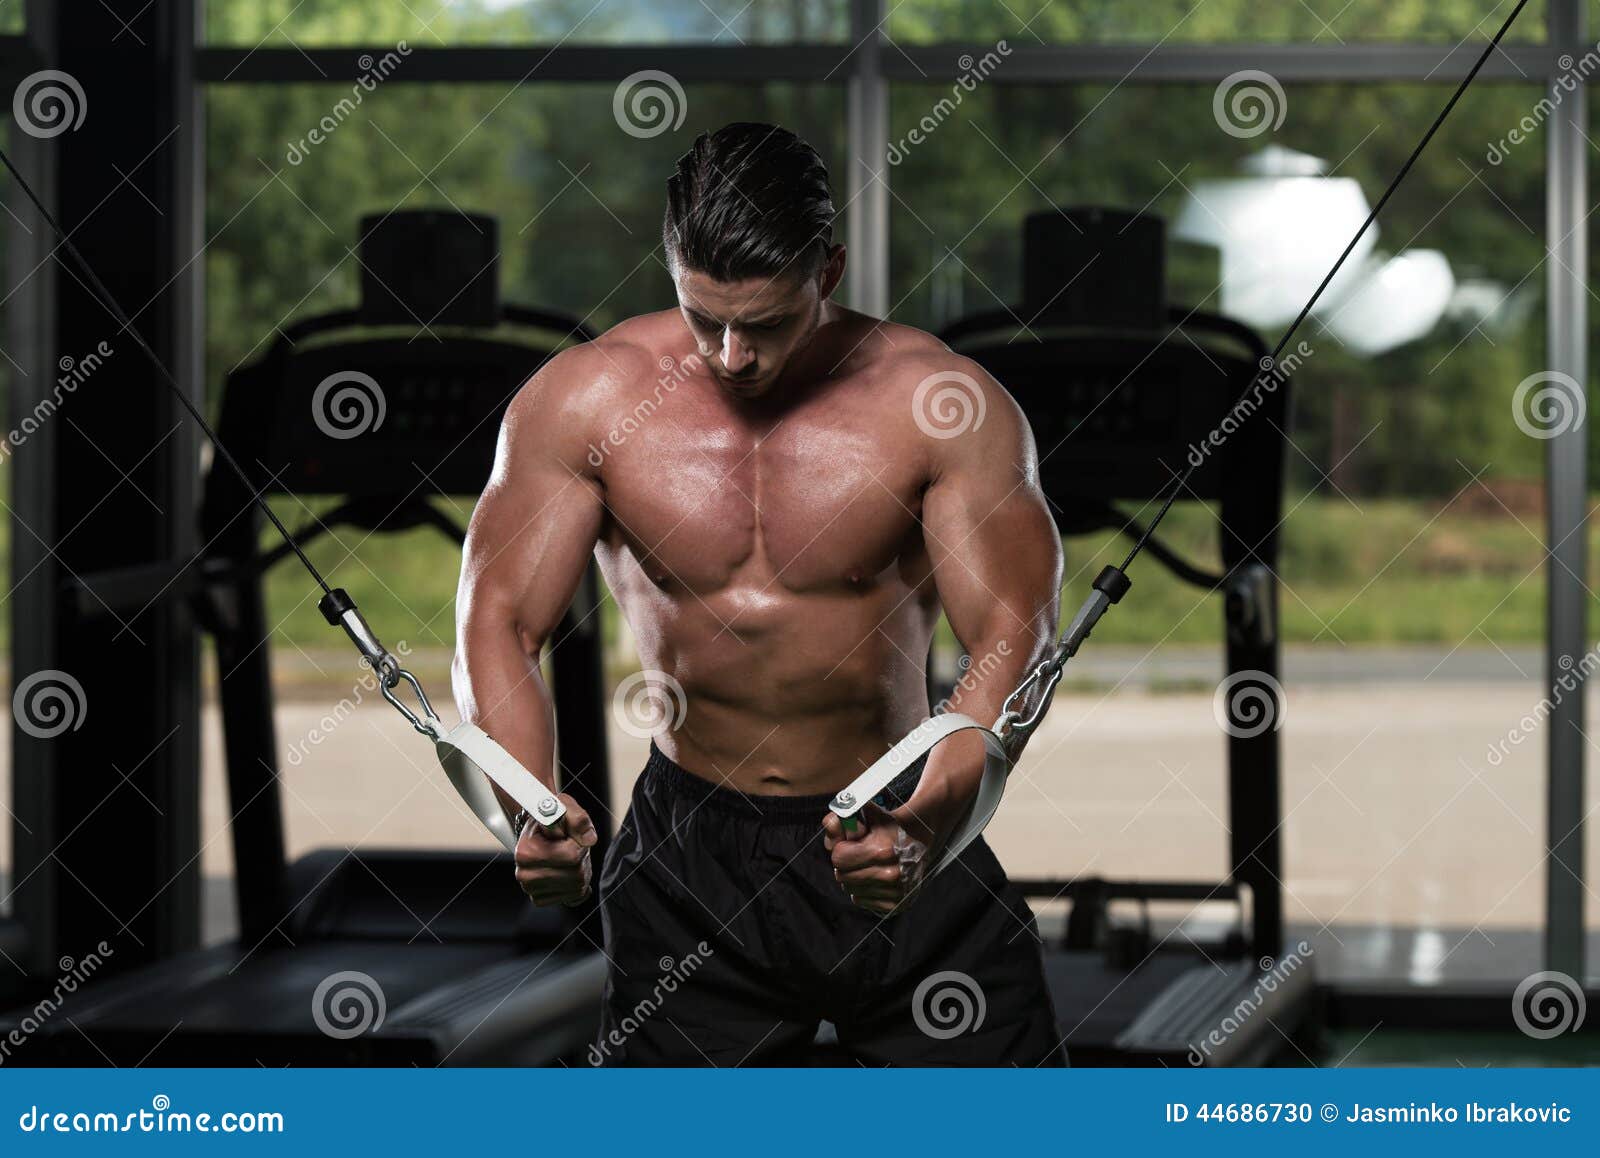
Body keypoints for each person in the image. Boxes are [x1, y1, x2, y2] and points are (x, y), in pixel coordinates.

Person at [452, 121, 1066, 1066]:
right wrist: (523, 807)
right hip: (690, 854)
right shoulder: (585, 402)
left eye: (767, 323)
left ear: (828, 271)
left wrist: (930, 825)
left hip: (896, 814)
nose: (733, 355)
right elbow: (496, 621)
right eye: (705, 318)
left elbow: (1011, 642)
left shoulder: (939, 405)